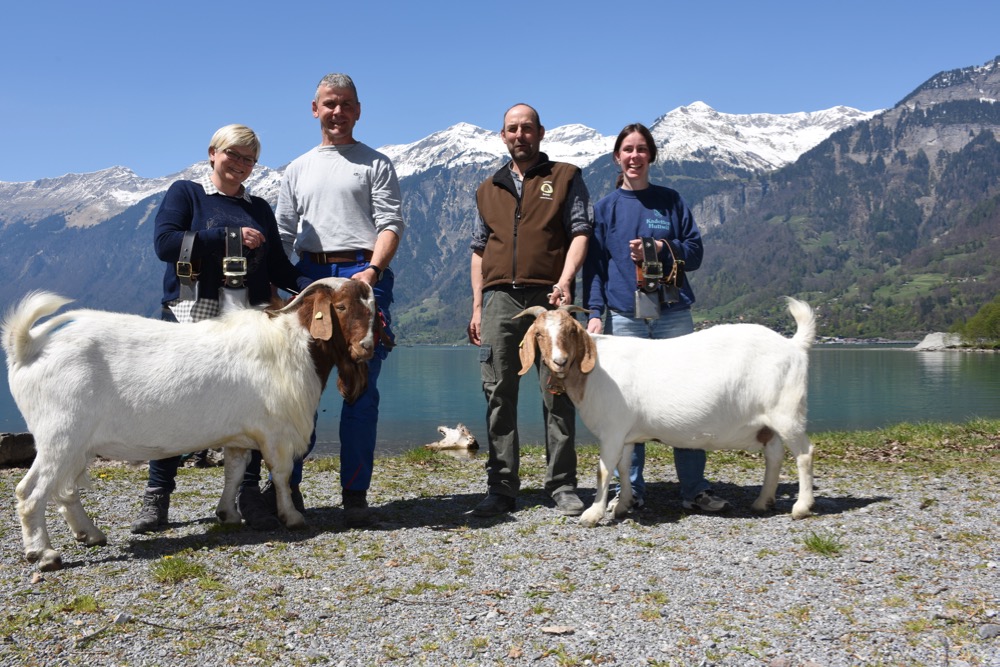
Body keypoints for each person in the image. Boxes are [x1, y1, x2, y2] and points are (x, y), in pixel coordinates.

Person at [132, 124, 315, 534]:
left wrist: (317, 288)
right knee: (174, 402)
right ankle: (157, 494)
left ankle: (246, 495)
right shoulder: (187, 193)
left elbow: (279, 267)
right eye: (233, 154)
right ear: (213, 152)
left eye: (250, 159)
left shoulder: (260, 208)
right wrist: (227, 236)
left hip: (249, 322)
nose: (241, 164)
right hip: (191, 315)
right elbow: (165, 244)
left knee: (252, 407)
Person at [270, 72, 403, 528]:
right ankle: (287, 490)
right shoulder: (297, 168)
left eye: (346, 104)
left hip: (362, 277)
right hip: (310, 279)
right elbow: (282, 234)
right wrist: (281, 286)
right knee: (297, 390)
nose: (337, 111)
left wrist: (373, 271)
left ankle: (355, 495)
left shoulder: (376, 163)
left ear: (358, 110)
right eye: (329, 103)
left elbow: (391, 224)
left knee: (360, 388)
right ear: (315, 109)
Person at [582, 122, 730, 514]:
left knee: (689, 399)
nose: (635, 156)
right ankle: (629, 491)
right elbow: (593, 270)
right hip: (625, 317)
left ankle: (695, 489)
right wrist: (594, 314)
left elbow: (695, 253)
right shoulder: (605, 209)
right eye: (628, 150)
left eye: (641, 149)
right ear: (617, 157)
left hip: (673, 313)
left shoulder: (670, 201)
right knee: (624, 404)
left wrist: (663, 247)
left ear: (651, 156)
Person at [467, 103, 593, 517]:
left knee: (558, 389)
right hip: (499, 299)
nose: (519, 134)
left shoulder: (566, 176)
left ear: (540, 132)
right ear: (502, 136)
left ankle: (562, 484)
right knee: (498, 393)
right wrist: (477, 307)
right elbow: (479, 250)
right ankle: (501, 487)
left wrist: (566, 279)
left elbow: (581, 232)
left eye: (526, 128)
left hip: (550, 298)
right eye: (512, 129)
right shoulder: (488, 189)